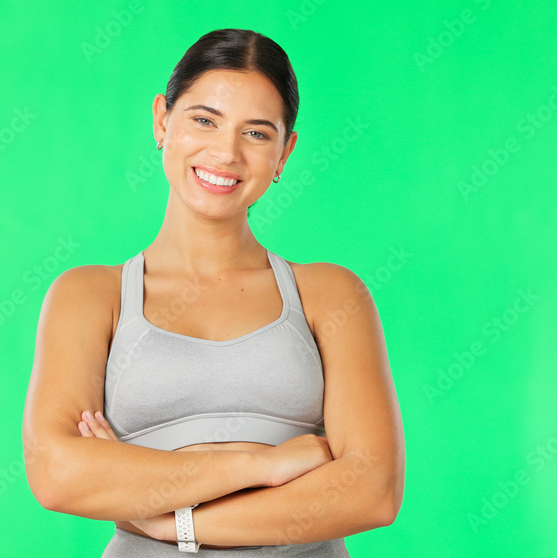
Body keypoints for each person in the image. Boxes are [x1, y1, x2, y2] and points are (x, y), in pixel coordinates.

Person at [22, 28, 404, 556]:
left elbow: (373, 491)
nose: (225, 153)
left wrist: (168, 522)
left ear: (285, 152)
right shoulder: (89, 295)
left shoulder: (330, 294)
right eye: (204, 120)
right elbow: (57, 471)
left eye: (257, 133)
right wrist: (261, 465)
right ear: (162, 120)